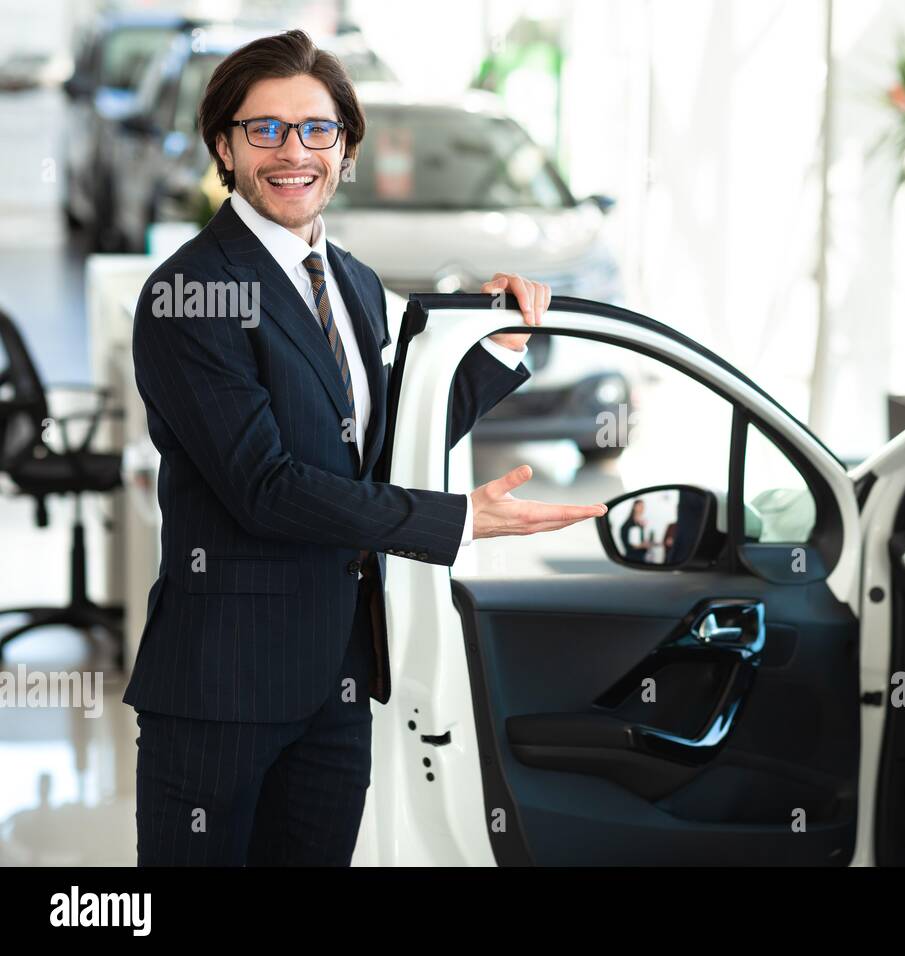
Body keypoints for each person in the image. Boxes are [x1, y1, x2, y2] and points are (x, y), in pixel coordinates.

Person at [125, 29, 606, 866]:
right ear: (224, 147)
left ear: (345, 148)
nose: (292, 152)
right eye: (263, 129)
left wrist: (496, 349)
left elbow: (371, 455)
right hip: (222, 688)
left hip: (338, 679)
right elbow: (267, 488)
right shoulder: (190, 293)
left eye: (316, 130)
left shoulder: (351, 280)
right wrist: (454, 522)